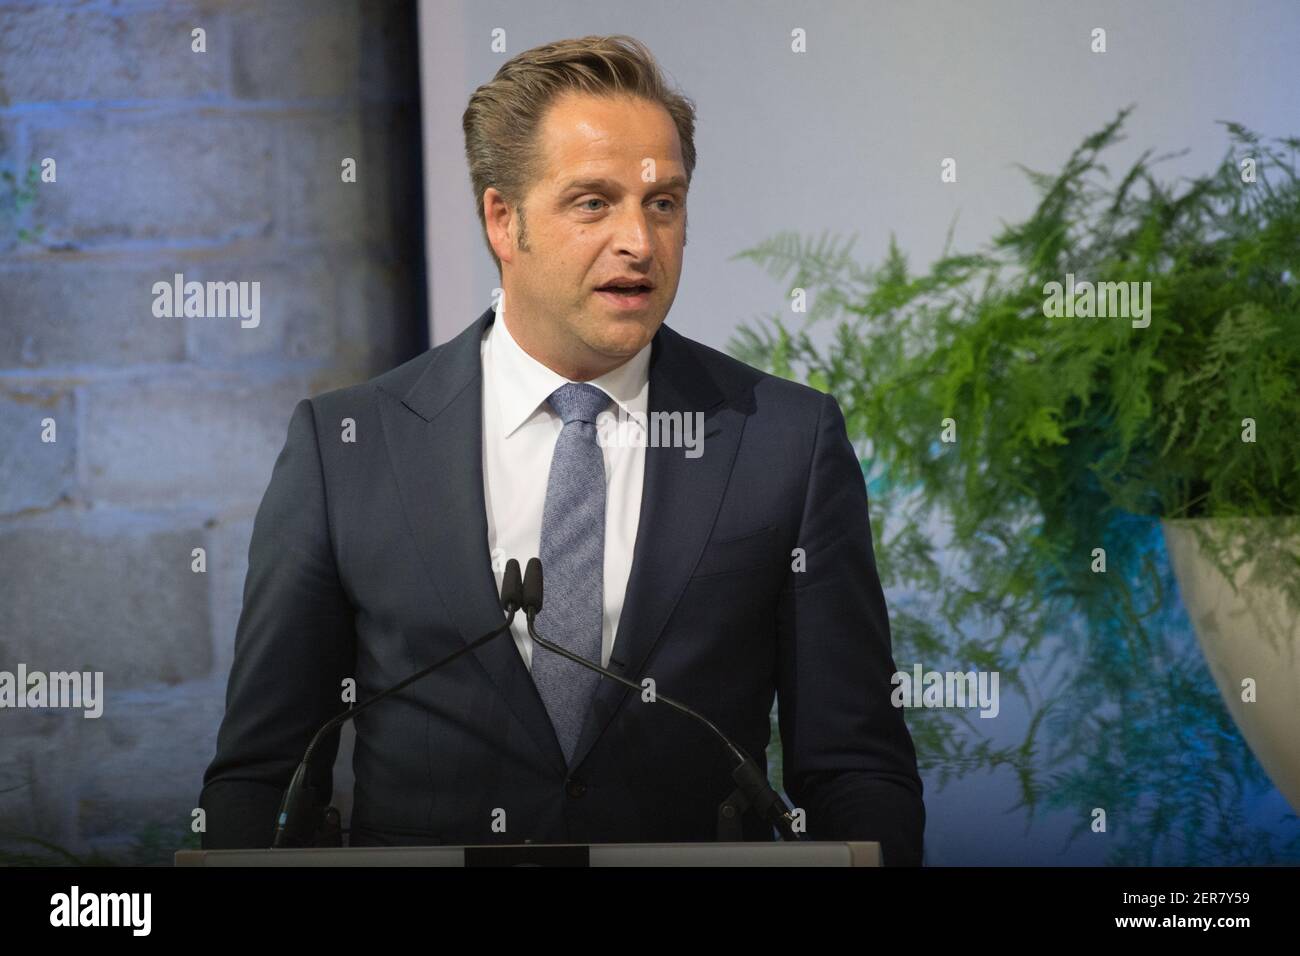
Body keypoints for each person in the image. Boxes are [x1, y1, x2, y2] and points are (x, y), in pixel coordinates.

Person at [199, 34, 925, 865]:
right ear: (502, 220)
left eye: (663, 204)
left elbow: (855, 766)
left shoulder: (784, 441)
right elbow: (265, 772)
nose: (639, 243)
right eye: (593, 203)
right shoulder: (349, 449)